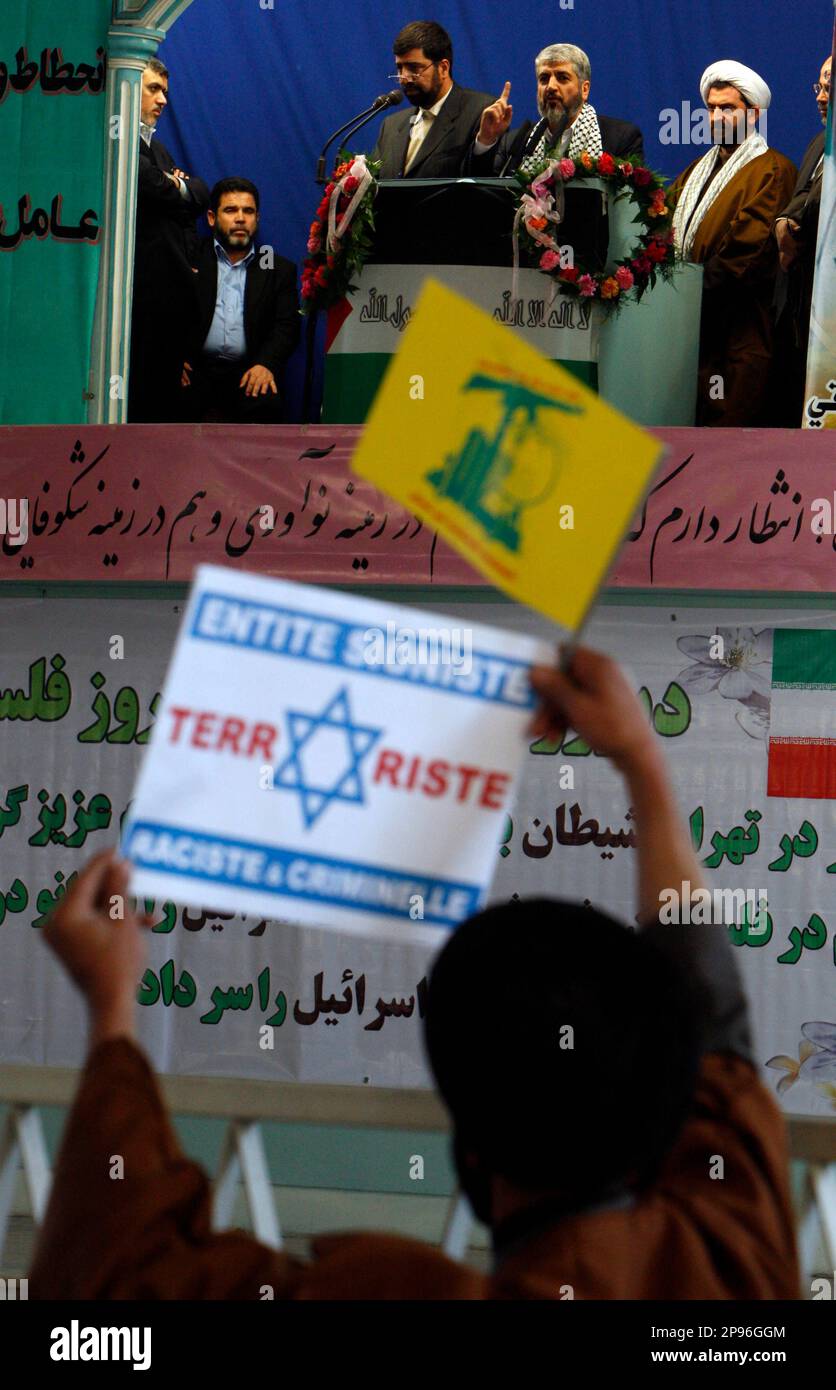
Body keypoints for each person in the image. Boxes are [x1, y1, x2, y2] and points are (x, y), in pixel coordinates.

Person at [29, 647, 799, 1300]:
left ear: (467, 1158)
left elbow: (115, 1287)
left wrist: (111, 1002)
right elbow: (707, 1002)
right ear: (670, 1115)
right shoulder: (737, 1258)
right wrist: (641, 759)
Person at [669, 61, 796, 427]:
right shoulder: (693, 172)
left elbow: (747, 256)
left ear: (753, 114)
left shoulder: (772, 170)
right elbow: (661, 231)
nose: (717, 117)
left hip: (739, 339)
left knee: (727, 450)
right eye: (711, 108)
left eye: (728, 108)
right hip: (690, 339)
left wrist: (685, 297)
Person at [129, 58, 210, 424]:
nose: (162, 100)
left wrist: (177, 187)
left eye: (165, 92)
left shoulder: (158, 150)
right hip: (135, 295)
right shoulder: (118, 140)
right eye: (153, 89)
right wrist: (176, 186)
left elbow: (196, 198)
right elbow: (150, 185)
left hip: (169, 296)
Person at [180, 178, 300, 424]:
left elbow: (286, 326)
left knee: (265, 400)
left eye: (248, 211)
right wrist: (172, 358)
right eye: (231, 210)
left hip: (249, 371)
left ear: (257, 219)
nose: (240, 218)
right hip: (196, 370)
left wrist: (266, 364)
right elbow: (164, 312)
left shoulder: (277, 268)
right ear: (212, 218)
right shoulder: (188, 258)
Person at [466, 44, 644, 179]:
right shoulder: (516, 143)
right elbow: (484, 196)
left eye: (562, 77)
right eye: (544, 78)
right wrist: (487, 139)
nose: (550, 87)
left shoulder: (621, 139)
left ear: (584, 89)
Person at [770, 55, 832, 426]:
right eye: (819, 87)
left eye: (830, 88)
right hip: (802, 301)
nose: (821, 97)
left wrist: (797, 225)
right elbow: (802, 195)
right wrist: (783, 223)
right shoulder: (820, 142)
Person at [370, 21, 493, 179]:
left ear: (443, 68)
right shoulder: (391, 126)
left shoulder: (481, 113)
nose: (404, 78)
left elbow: (482, 185)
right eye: (400, 68)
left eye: (414, 68)